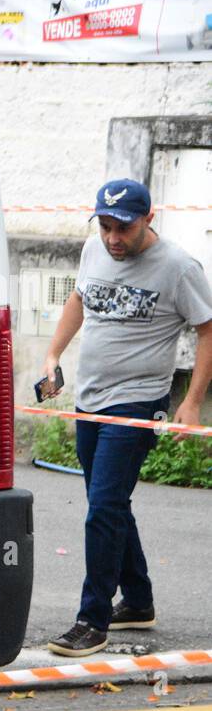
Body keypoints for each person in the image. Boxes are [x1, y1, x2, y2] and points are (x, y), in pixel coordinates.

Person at [40, 178, 212, 657]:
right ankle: (137, 601)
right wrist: (53, 353)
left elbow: (208, 328)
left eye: (125, 228)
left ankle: (91, 620)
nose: (114, 238)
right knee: (108, 501)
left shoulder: (178, 267)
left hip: (136, 403)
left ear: (148, 220)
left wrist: (192, 401)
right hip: (89, 399)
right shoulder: (95, 250)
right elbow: (79, 299)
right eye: (106, 226)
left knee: (104, 507)